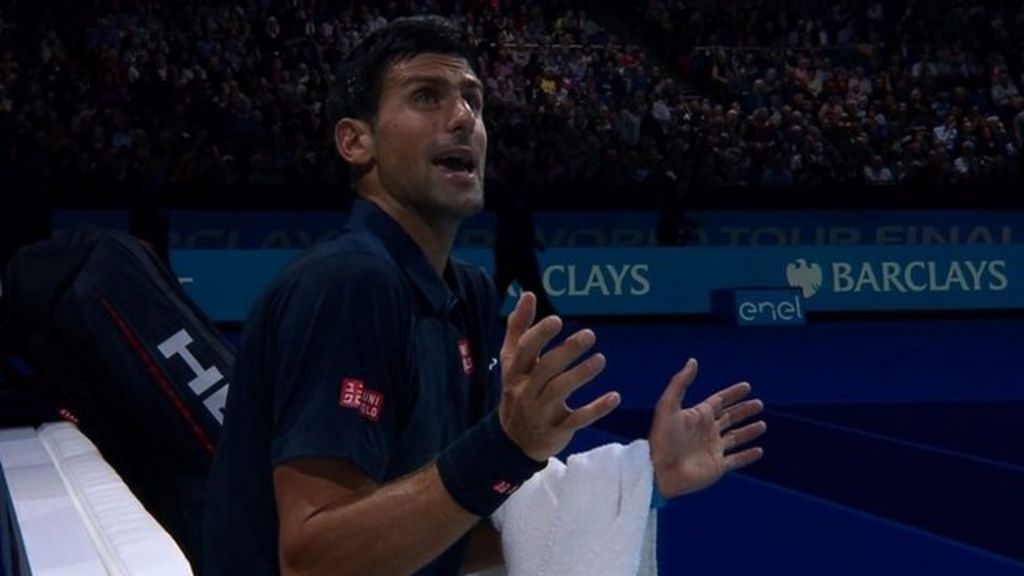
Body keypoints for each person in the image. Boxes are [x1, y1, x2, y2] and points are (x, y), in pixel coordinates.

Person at [203, 15, 766, 576]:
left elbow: (458, 534)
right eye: (427, 97)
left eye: (473, 100)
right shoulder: (347, 285)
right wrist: (506, 447)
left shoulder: (468, 291)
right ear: (356, 141)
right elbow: (315, 562)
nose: (462, 118)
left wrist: (648, 477)